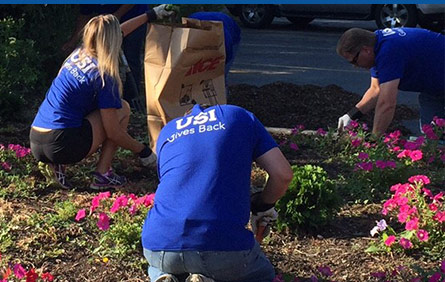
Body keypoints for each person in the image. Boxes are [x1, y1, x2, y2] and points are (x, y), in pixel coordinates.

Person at [141, 104, 293, 282]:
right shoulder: (238, 116)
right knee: (264, 274)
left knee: (157, 265)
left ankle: (163, 275)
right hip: (218, 245)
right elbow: (282, 175)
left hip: (158, 244)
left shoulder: (168, 130)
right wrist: (263, 205)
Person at [30, 7, 173, 190]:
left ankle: (56, 165)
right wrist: (143, 151)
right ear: (114, 41)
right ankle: (102, 175)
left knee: (80, 112)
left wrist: (150, 15)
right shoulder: (105, 76)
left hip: (36, 141)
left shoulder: (78, 52)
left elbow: (119, 30)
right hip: (62, 145)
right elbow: (113, 132)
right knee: (122, 109)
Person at [336, 27, 444, 136]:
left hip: (439, 84)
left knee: (435, 139)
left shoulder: (389, 51)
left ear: (366, 50)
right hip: (435, 88)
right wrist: (351, 116)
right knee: (433, 136)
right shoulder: (377, 45)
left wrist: (375, 140)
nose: (355, 66)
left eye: (354, 61)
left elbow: (387, 103)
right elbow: (376, 90)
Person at [62, 5, 149, 106]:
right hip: (107, 23)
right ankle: (107, 98)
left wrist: (117, 15)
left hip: (133, 15)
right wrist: (73, 41)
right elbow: (84, 15)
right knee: (106, 64)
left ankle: (131, 97)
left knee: (131, 57)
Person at [188, 12, 241, 97]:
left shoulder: (226, 41)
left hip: (232, 31)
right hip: (204, 21)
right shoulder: (191, 33)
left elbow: (226, 60)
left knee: (222, 76)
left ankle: (222, 99)